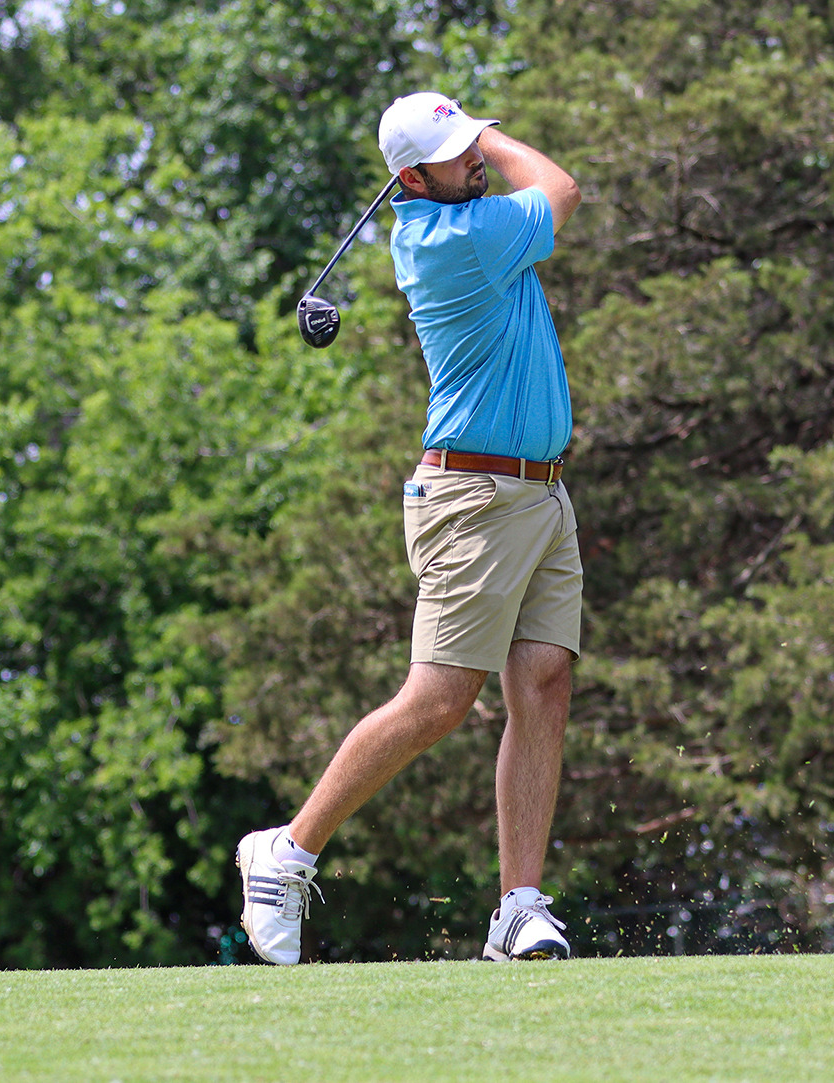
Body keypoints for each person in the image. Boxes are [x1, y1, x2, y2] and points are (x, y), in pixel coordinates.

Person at [236, 92, 583, 965]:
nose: (473, 159)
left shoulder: (466, 217)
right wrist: (496, 136)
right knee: (439, 700)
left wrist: (465, 140)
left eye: (472, 145)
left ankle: (518, 907)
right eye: (456, 151)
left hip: (539, 495)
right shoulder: (456, 241)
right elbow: (562, 186)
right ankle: (287, 853)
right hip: (473, 501)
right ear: (410, 178)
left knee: (542, 683)